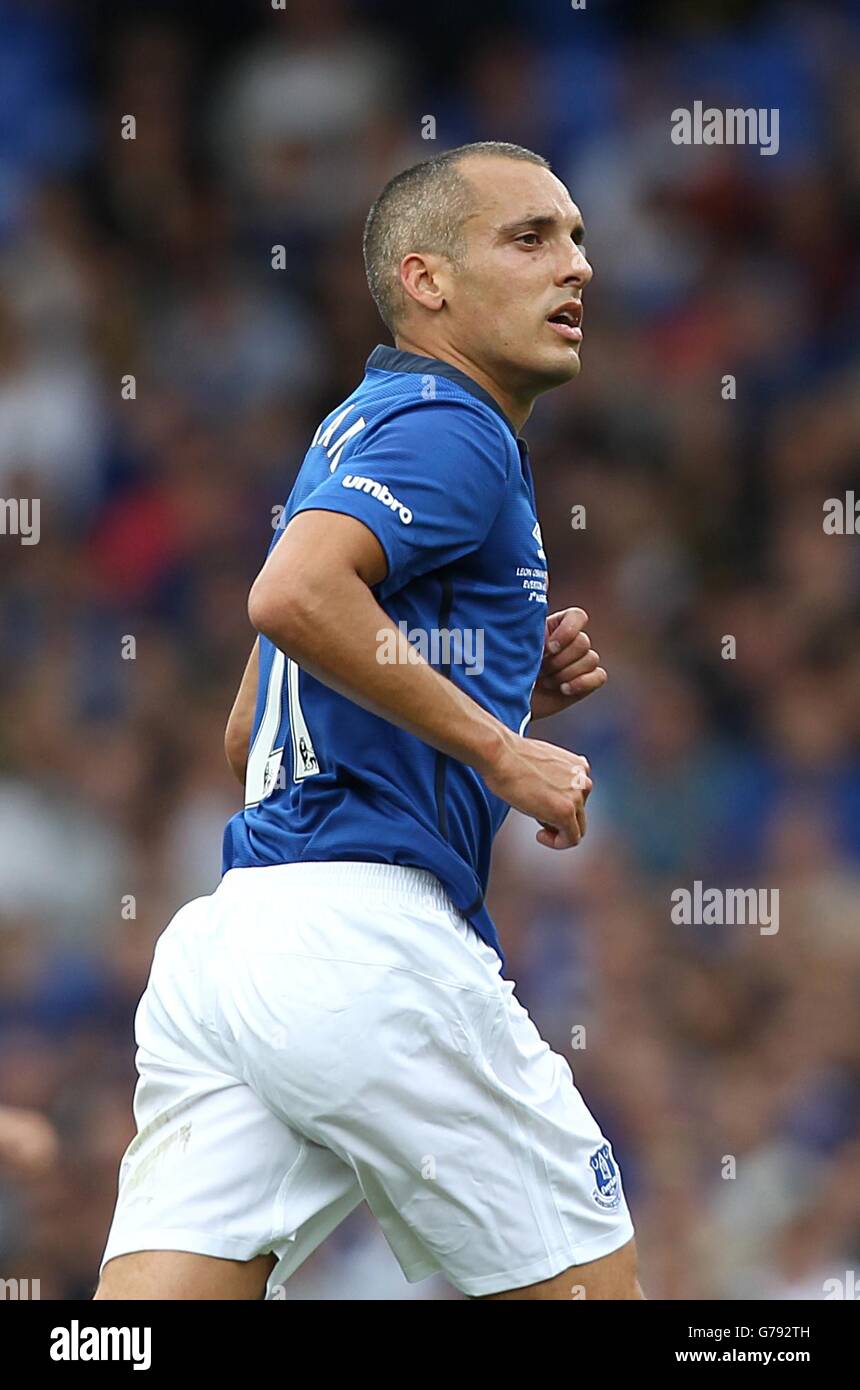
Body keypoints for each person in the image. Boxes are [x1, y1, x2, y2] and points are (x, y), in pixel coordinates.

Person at [96, 141, 644, 1301]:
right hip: (367, 946)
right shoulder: (456, 428)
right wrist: (501, 747)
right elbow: (290, 598)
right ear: (427, 279)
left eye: (579, 239)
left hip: (237, 943)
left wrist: (490, 682)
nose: (575, 267)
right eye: (530, 237)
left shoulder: (359, 423)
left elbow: (254, 726)